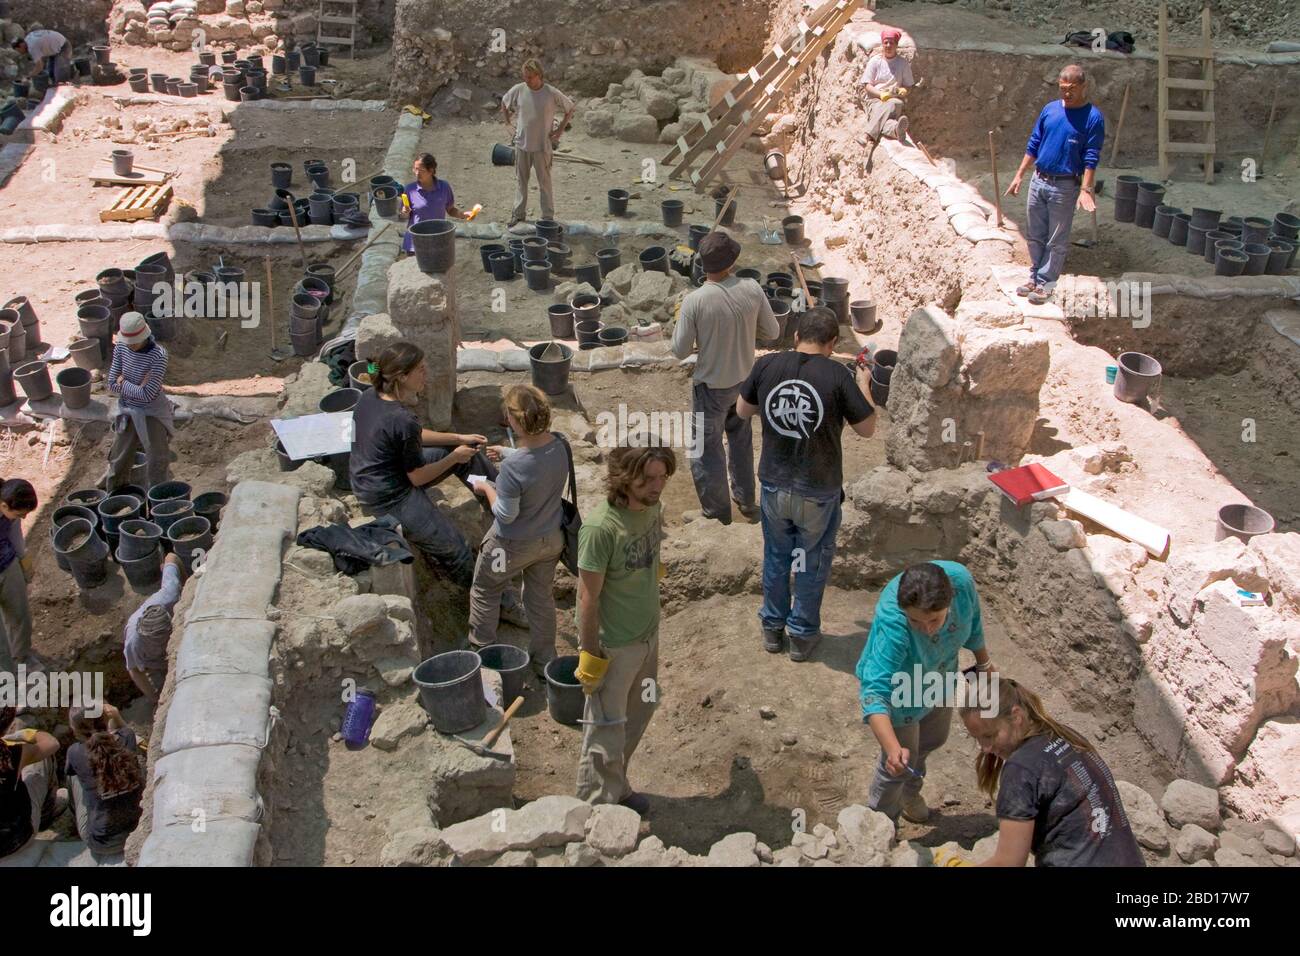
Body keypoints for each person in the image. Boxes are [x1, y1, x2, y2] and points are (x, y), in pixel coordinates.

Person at [348, 343, 527, 622]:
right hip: (386, 496)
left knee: (469, 457)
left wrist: (458, 438)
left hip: (384, 474)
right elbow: (417, 477)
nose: (426, 374)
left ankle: (504, 509)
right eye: (420, 369)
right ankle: (495, 603)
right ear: (403, 377)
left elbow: (414, 435)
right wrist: (453, 458)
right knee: (455, 548)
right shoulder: (400, 418)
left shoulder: (372, 397)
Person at [736, 308, 875, 662]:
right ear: (832, 344)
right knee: (811, 563)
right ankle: (800, 636)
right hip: (818, 490)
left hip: (773, 485)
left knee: (777, 557)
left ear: (796, 336)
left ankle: (772, 629)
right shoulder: (838, 374)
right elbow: (868, 428)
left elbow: (742, 410)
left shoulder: (767, 365)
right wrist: (863, 385)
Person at [574, 440, 676, 815]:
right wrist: (590, 653)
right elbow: (587, 597)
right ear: (623, 478)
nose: (657, 486)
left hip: (648, 635)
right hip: (615, 647)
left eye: (662, 477)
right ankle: (594, 813)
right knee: (604, 731)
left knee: (642, 709)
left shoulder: (652, 508)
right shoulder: (600, 528)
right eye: (647, 479)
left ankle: (616, 785)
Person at [855, 561, 992, 823]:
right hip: (901, 691)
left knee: (933, 739)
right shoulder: (894, 624)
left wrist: (983, 664)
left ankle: (910, 792)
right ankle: (881, 821)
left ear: (950, 601)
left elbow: (973, 622)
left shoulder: (961, 584)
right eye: (915, 620)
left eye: (935, 619)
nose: (927, 629)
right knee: (898, 763)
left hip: (939, 677)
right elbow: (875, 691)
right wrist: (893, 749)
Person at [959, 677, 1144, 867]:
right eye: (977, 739)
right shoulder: (1063, 735)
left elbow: (1009, 863)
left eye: (989, 736)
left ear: (1016, 716)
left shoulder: (1021, 770)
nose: (985, 748)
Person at [670, 231, 779, 526]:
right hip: (745, 383)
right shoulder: (752, 288)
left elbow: (679, 350)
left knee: (705, 451)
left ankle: (716, 515)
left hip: (711, 388)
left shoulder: (695, 301)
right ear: (732, 261)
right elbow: (773, 332)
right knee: (740, 440)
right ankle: (746, 500)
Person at [467, 385, 568, 675]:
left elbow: (505, 514)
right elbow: (537, 460)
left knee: (487, 590)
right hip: (550, 541)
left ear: (513, 419)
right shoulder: (560, 445)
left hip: (510, 545)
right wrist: (509, 453)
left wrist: (487, 487)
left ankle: (482, 659)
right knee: (539, 599)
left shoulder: (513, 470)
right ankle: (544, 662)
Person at [1005, 64, 1105, 305]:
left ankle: (1046, 284)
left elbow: (1092, 156)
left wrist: (1085, 190)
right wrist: (1019, 175)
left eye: (1071, 89)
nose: (1066, 94)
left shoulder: (1093, 118)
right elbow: (1034, 143)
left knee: (1056, 239)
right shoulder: (1050, 110)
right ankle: (1034, 277)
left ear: (1083, 87)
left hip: (1065, 185)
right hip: (1039, 180)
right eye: (1062, 89)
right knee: (1035, 234)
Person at [500, 59, 576, 227]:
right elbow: (504, 103)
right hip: (522, 145)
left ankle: (548, 217)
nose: (526, 80)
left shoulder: (551, 92)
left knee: (545, 183)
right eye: (524, 77)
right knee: (521, 182)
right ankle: (518, 215)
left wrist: (559, 131)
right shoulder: (519, 90)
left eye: (530, 77)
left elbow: (570, 108)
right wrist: (507, 124)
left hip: (542, 146)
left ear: (539, 75)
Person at [102, 312, 173, 492]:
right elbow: (111, 383)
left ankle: (158, 501)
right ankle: (114, 494)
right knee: (119, 458)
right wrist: (134, 388)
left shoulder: (158, 355)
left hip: (151, 412)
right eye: (128, 341)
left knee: (157, 460)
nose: (131, 345)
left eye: (135, 341)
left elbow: (148, 394)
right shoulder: (121, 347)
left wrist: (123, 382)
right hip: (127, 409)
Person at [66, 702, 144, 861]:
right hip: (139, 826)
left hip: (102, 843)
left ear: (75, 729)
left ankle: (71, 815)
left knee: (73, 776)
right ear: (105, 719)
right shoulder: (126, 737)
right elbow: (125, 731)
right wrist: (116, 716)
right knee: (134, 760)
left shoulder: (74, 752)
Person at [0, 707, 65, 865]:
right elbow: (52, 743)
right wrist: (27, 734)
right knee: (42, 760)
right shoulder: (12, 753)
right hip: (16, 838)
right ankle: (48, 811)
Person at [123, 553, 183, 702]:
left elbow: (171, 557)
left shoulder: (170, 596)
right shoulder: (134, 643)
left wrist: (187, 584)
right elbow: (135, 670)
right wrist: (155, 697)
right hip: (156, 663)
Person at [857, 27, 916, 168]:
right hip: (875, 100)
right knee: (886, 120)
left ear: (896, 45)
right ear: (882, 44)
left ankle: (867, 135)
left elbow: (909, 86)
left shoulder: (902, 64)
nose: (888, 46)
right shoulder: (875, 62)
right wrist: (880, 94)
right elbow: (867, 86)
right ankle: (895, 129)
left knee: (893, 103)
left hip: (894, 100)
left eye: (891, 43)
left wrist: (903, 91)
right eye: (886, 43)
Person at [401, 153, 473, 256]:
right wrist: (405, 212)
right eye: (415, 169)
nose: (417, 173)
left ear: (431, 170)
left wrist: (463, 214)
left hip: (437, 241)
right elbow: (404, 216)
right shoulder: (410, 189)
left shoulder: (444, 187)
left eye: (421, 170)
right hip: (415, 244)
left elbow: (450, 209)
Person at [0, 479, 38, 676]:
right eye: (19, 514)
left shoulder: (9, 502)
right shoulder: (7, 503)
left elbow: (16, 537)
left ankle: (22, 657)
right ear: (4, 505)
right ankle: (7, 675)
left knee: (20, 615)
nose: (22, 518)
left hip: (7, 565)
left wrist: (25, 565)